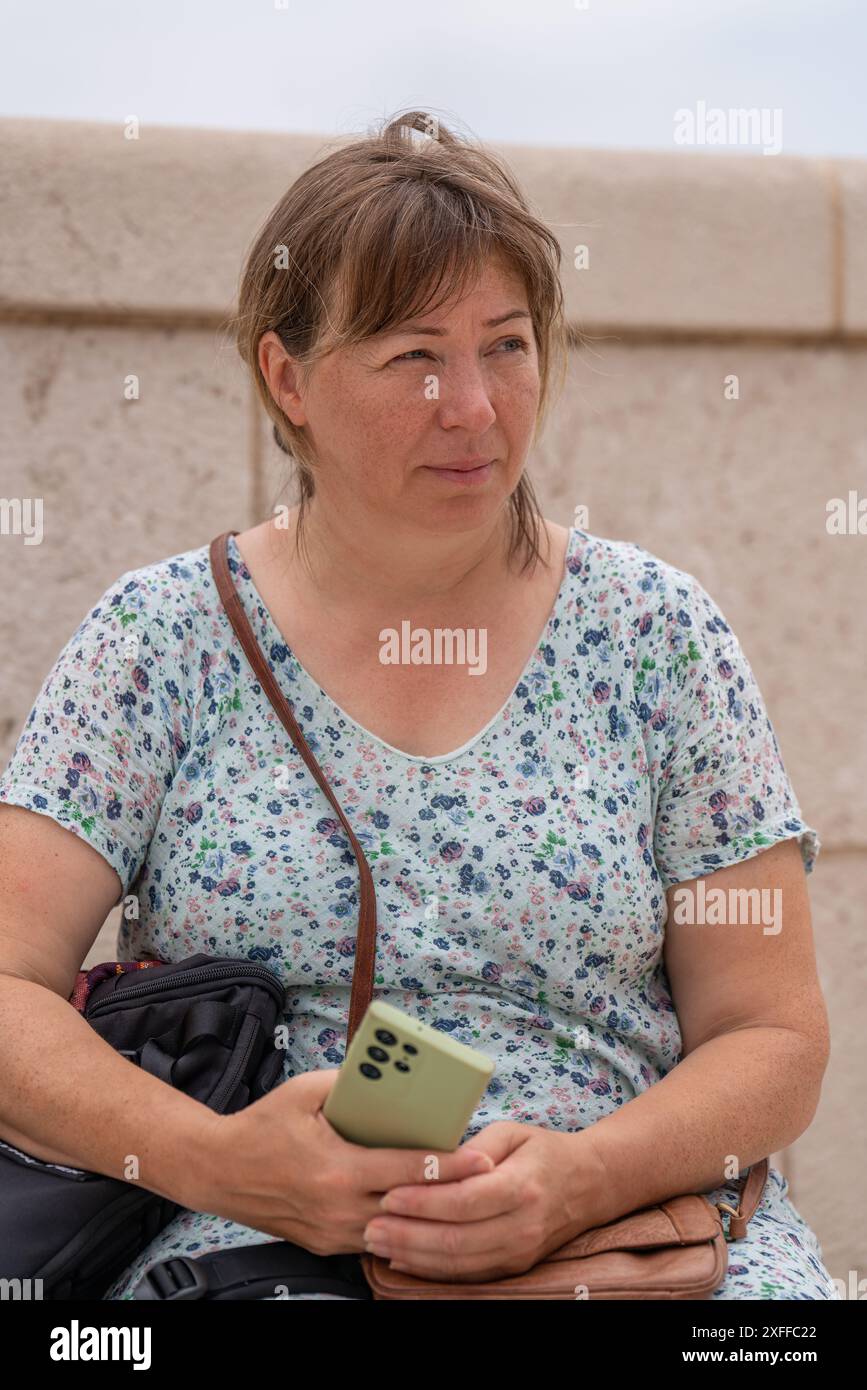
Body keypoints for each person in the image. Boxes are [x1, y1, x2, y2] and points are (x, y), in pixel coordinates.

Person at [0, 110, 838, 1301]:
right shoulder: (160, 638)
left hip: (635, 1249)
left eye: (506, 345)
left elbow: (774, 1036)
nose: (476, 408)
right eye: (414, 358)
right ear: (285, 378)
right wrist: (228, 1163)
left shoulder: (657, 634)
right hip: (261, 1253)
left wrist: (581, 1176)